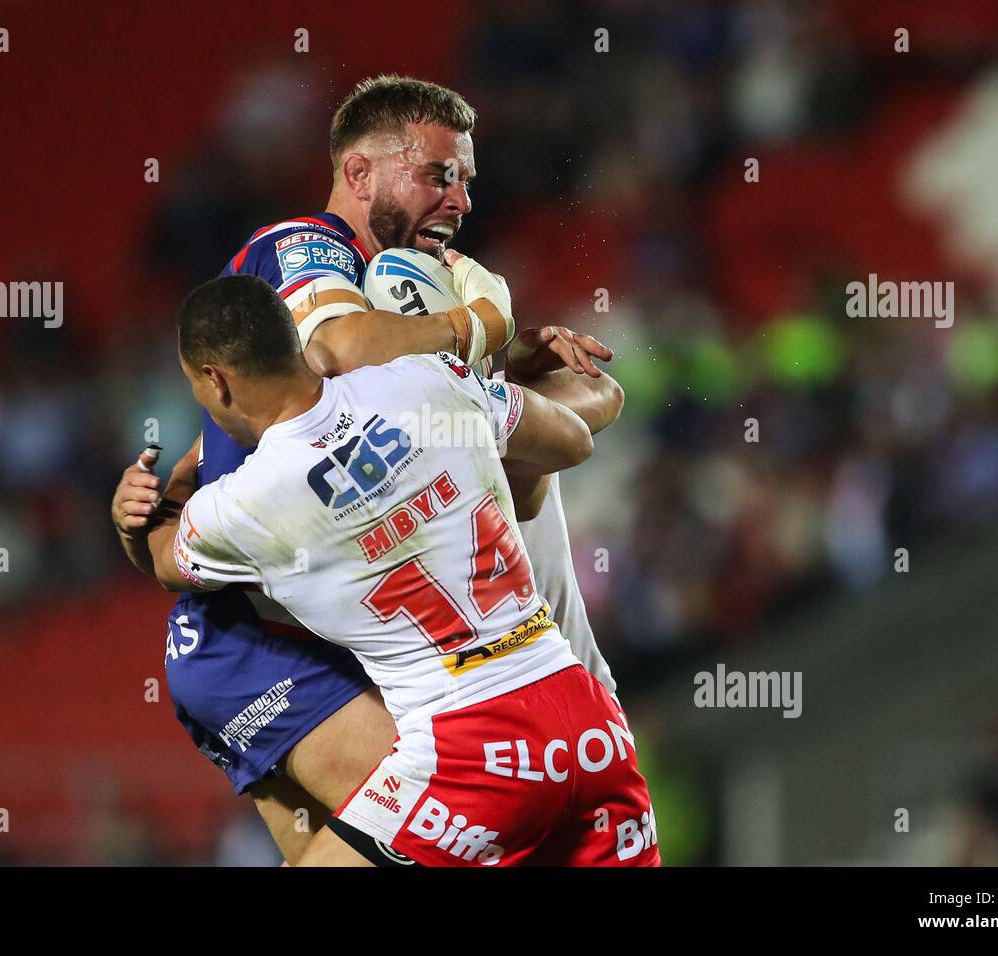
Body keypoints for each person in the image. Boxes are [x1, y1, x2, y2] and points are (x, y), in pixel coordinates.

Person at [111, 75, 620, 861]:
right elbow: (340, 347)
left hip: (313, 634)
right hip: (257, 640)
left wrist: (504, 357)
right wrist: (485, 324)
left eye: (467, 181)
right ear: (358, 175)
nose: (460, 201)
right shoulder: (305, 249)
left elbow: (329, 395)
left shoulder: (407, 309)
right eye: (438, 175)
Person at [145, 274, 658, 866]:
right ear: (295, 340)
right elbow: (570, 442)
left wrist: (168, 490)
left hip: (470, 745)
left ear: (214, 380)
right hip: (586, 719)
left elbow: (163, 560)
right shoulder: (424, 380)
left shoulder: (241, 506)